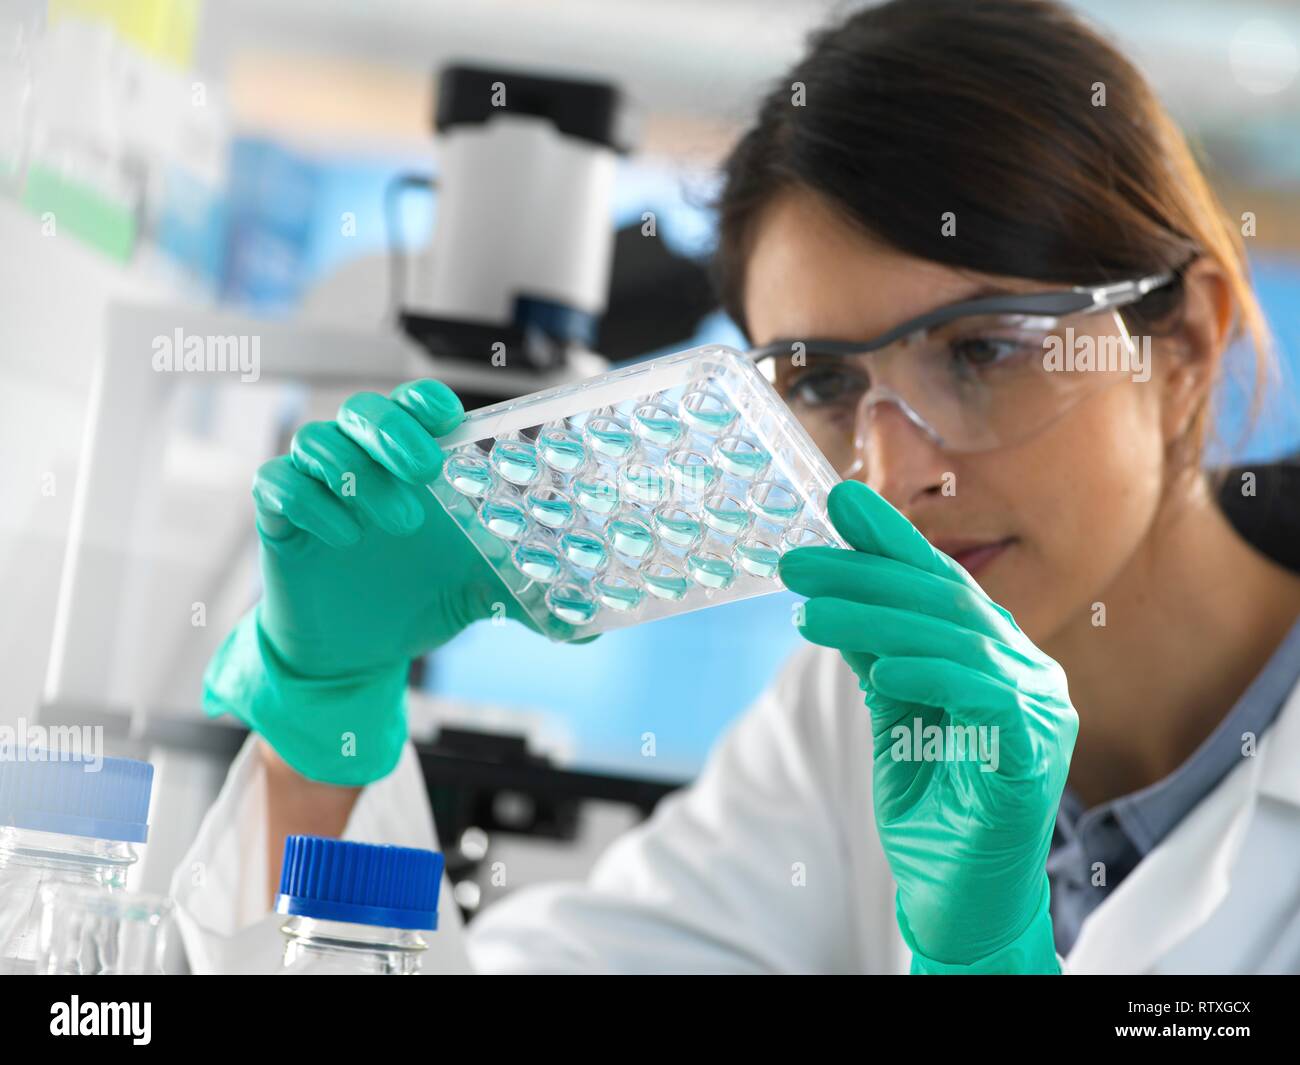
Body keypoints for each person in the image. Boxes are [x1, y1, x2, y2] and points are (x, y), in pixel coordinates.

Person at [172, 0, 1300, 973]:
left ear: (1186, 344)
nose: (889, 470)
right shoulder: (855, 713)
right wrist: (322, 730)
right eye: (817, 382)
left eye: (980, 351)